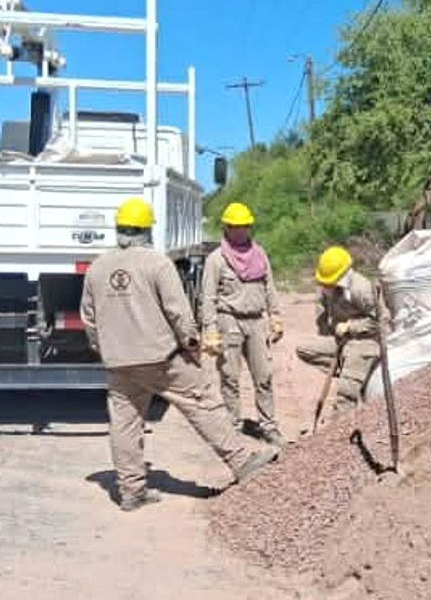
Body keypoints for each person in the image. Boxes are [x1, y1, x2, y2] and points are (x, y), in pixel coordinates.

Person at [81, 197, 279, 512]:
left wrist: (104, 349)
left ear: (119, 229)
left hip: (119, 362)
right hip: (161, 358)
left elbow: (90, 320)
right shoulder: (157, 264)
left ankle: (131, 492)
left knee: (125, 424)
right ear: (146, 231)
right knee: (202, 402)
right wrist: (192, 345)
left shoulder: (97, 268)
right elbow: (179, 314)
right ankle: (241, 462)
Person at [199, 202, 286, 448]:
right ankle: (233, 427)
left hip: (257, 320)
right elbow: (208, 297)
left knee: (265, 377)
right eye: (236, 227)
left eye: (245, 226)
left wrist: (276, 316)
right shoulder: (217, 260)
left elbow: (269, 286)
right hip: (229, 320)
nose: (241, 231)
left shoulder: (259, 254)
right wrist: (211, 331)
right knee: (229, 377)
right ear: (226, 228)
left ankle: (268, 426)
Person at [294, 245, 384, 419]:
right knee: (304, 350)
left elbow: (380, 322)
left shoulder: (361, 288)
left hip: (365, 341)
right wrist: (326, 326)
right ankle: (350, 370)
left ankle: (339, 427)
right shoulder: (328, 287)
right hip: (341, 339)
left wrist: (351, 327)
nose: (326, 286)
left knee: (345, 393)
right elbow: (322, 310)